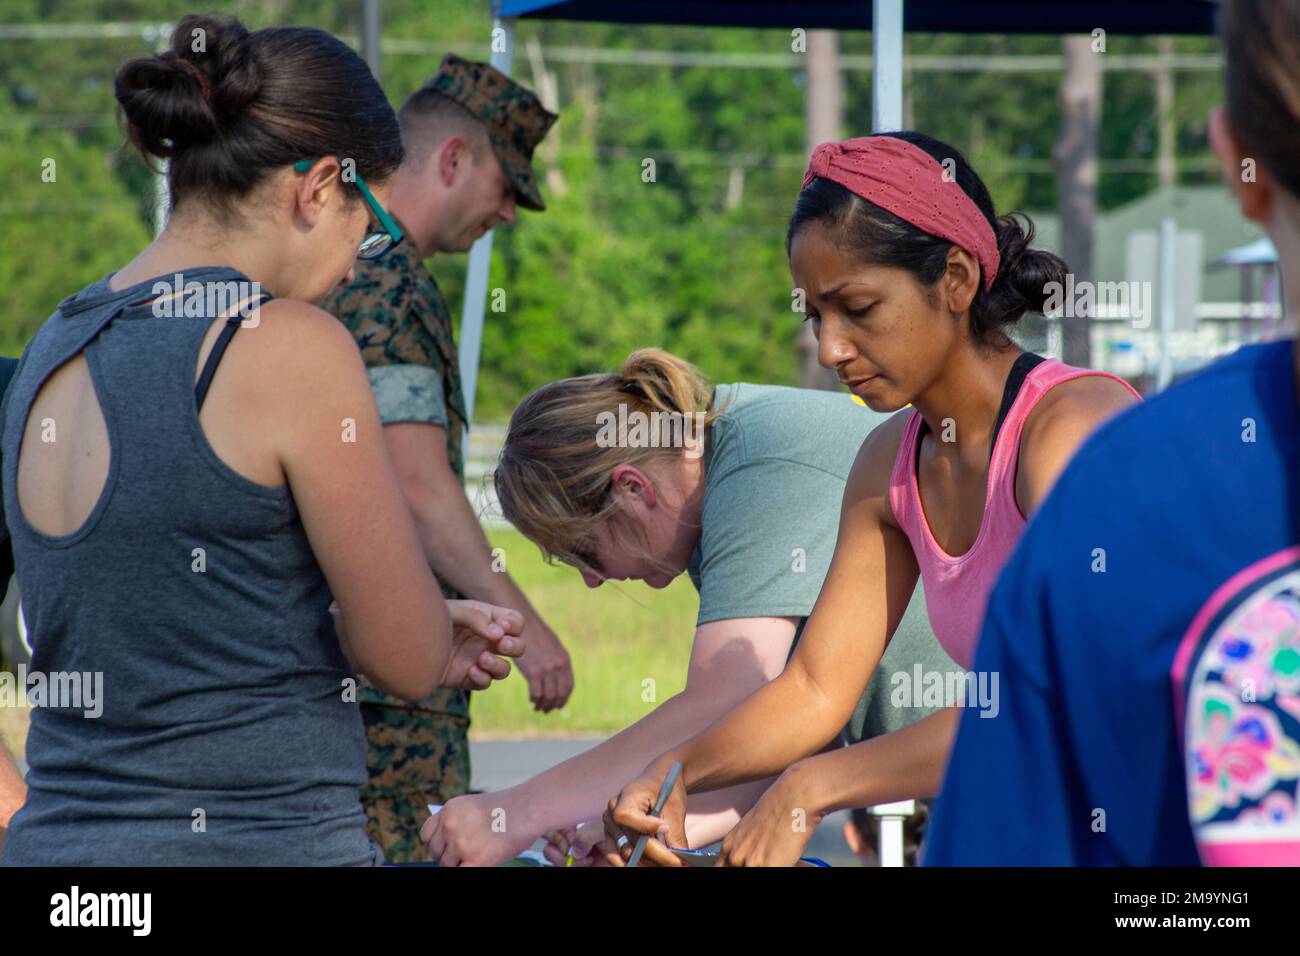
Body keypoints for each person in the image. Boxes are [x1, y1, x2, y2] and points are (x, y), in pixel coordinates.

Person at [0, 15, 521, 866]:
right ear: (319, 187)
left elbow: (168, 611)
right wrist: (424, 627)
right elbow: (406, 657)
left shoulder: (54, 343)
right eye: (371, 226)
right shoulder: (289, 346)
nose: (362, 263)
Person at [604, 131, 1140, 866]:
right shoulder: (889, 460)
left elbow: (1070, 689)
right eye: (814, 317)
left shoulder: (1067, 433)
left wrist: (813, 786)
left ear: (954, 280)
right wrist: (674, 774)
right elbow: (817, 687)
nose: (829, 348)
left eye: (857, 307)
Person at [925, 0, 1300, 866]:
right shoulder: (1109, 481)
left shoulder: (1117, 483)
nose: (833, 349)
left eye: (858, 308)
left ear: (1236, 162)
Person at [421, 348, 958, 866]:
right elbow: (773, 731)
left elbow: (722, 702)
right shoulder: (715, 485)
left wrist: (513, 813)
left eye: (583, 551)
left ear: (631, 489)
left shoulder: (758, 463)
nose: (590, 580)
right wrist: (636, 830)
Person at [322, 54, 570, 863]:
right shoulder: (390, 279)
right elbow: (418, 487)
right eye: (505, 188)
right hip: (392, 713)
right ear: (453, 159)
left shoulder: (348, 270)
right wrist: (527, 627)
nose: (507, 214)